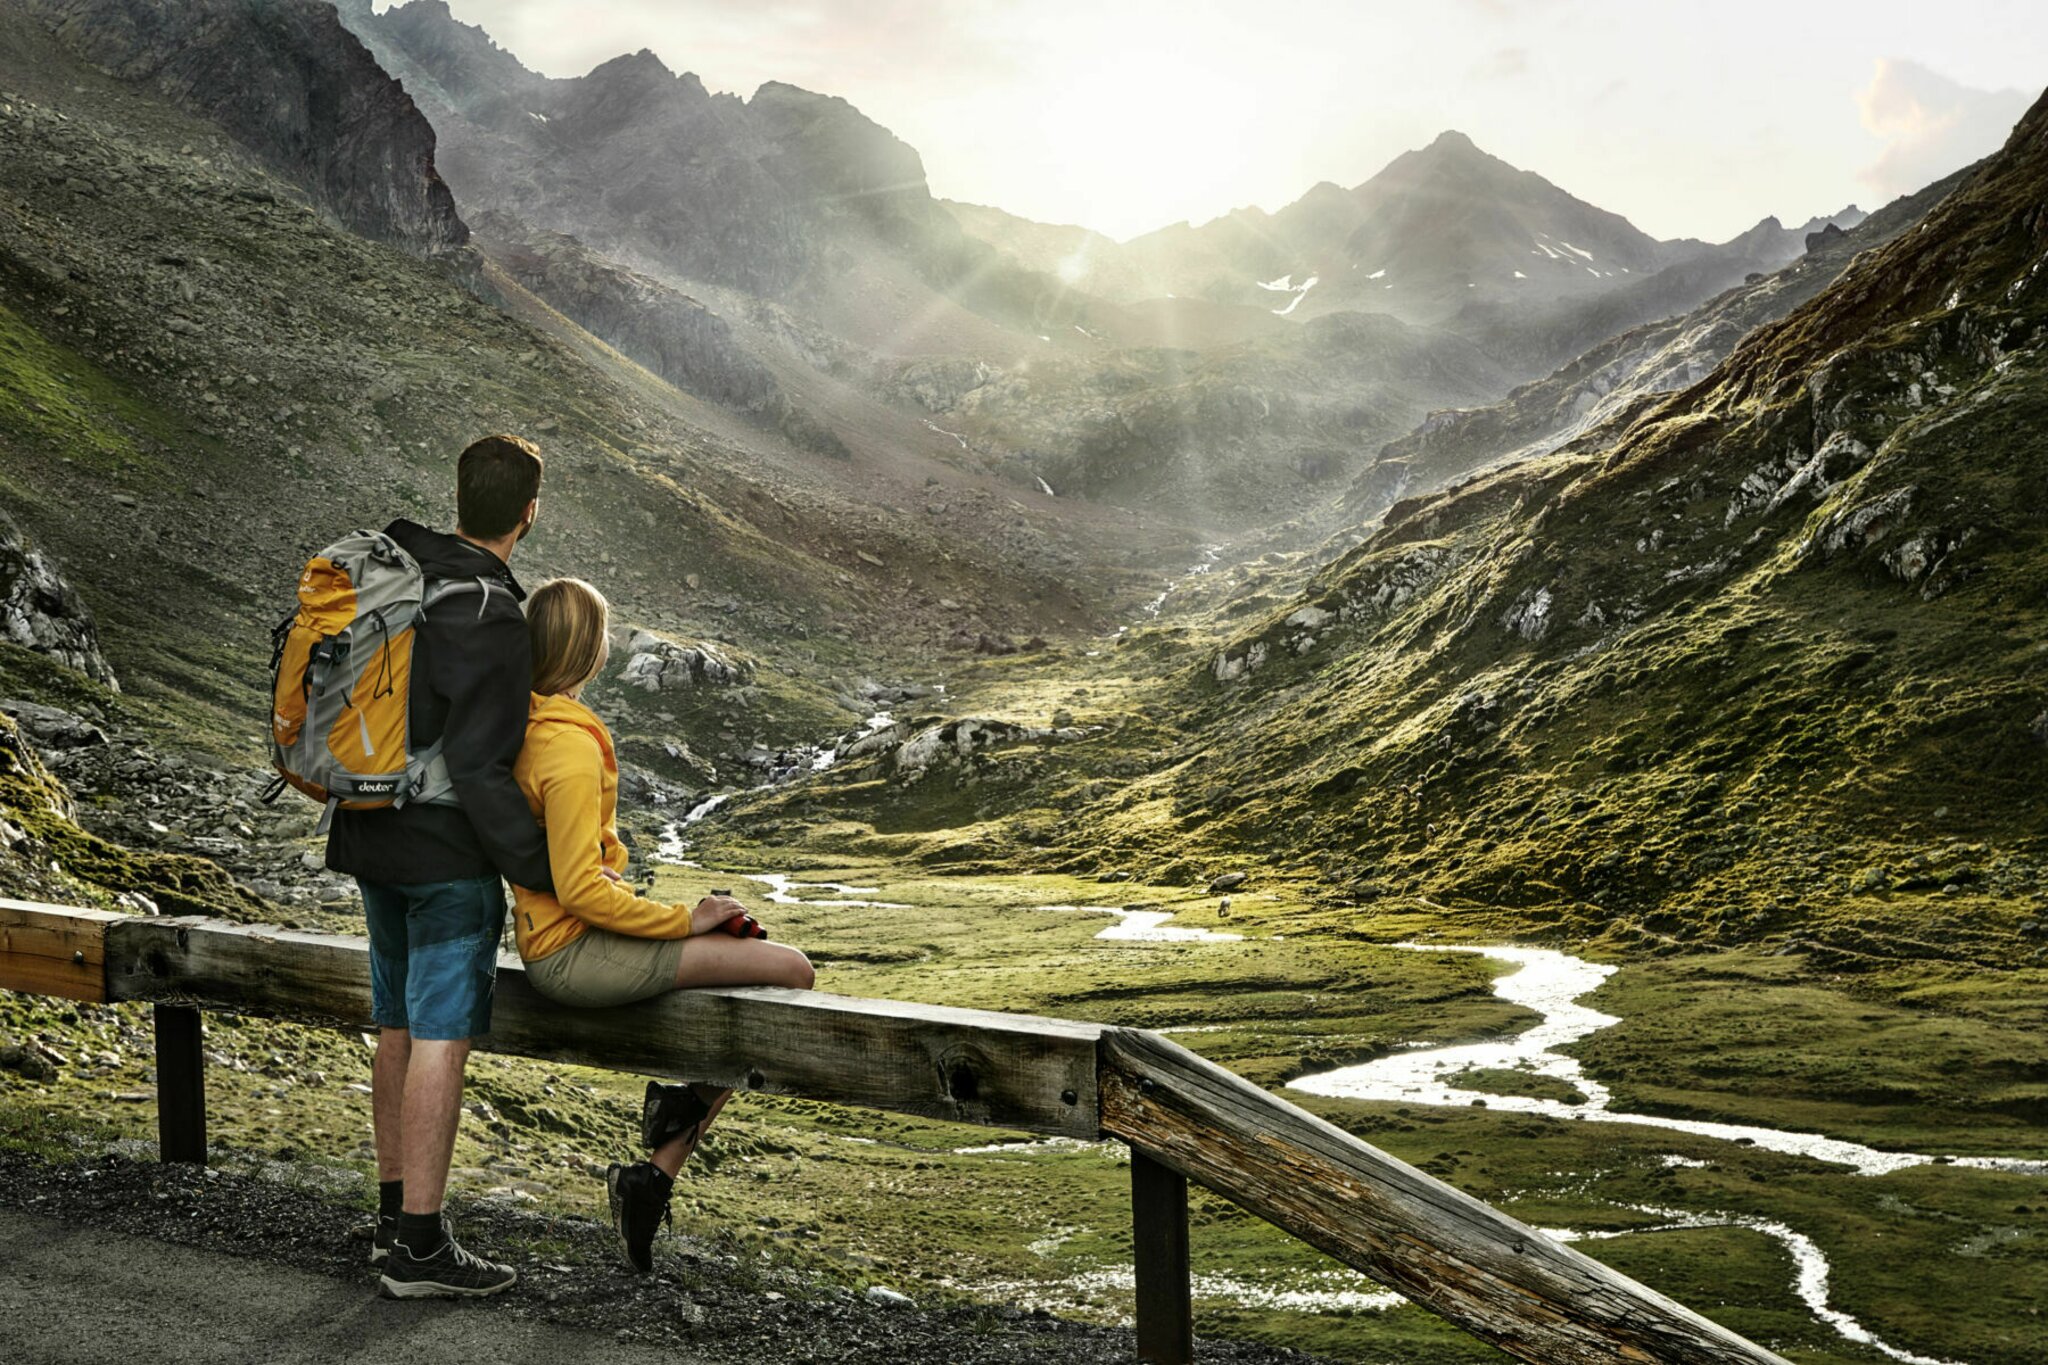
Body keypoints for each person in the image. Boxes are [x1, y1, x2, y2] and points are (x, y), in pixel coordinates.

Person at [511, 576, 814, 1272]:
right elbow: (581, 889)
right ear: (589, 652)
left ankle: (656, 1167)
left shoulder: (529, 724)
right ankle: (671, 1134)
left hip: (555, 936)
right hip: (573, 952)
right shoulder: (569, 746)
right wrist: (687, 917)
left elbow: (564, 863)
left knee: (750, 951)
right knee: (792, 969)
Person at [325, 434, 551, 1299]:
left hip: (369, 830)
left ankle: (392, 1219)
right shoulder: (494, 612)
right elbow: (483, 767)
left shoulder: (401, 571)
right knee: (440, 1036)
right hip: (446, 857)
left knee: (394, 1021)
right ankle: (421, 1247)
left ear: (459, 497)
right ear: (528, 513)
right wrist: (541, 870)